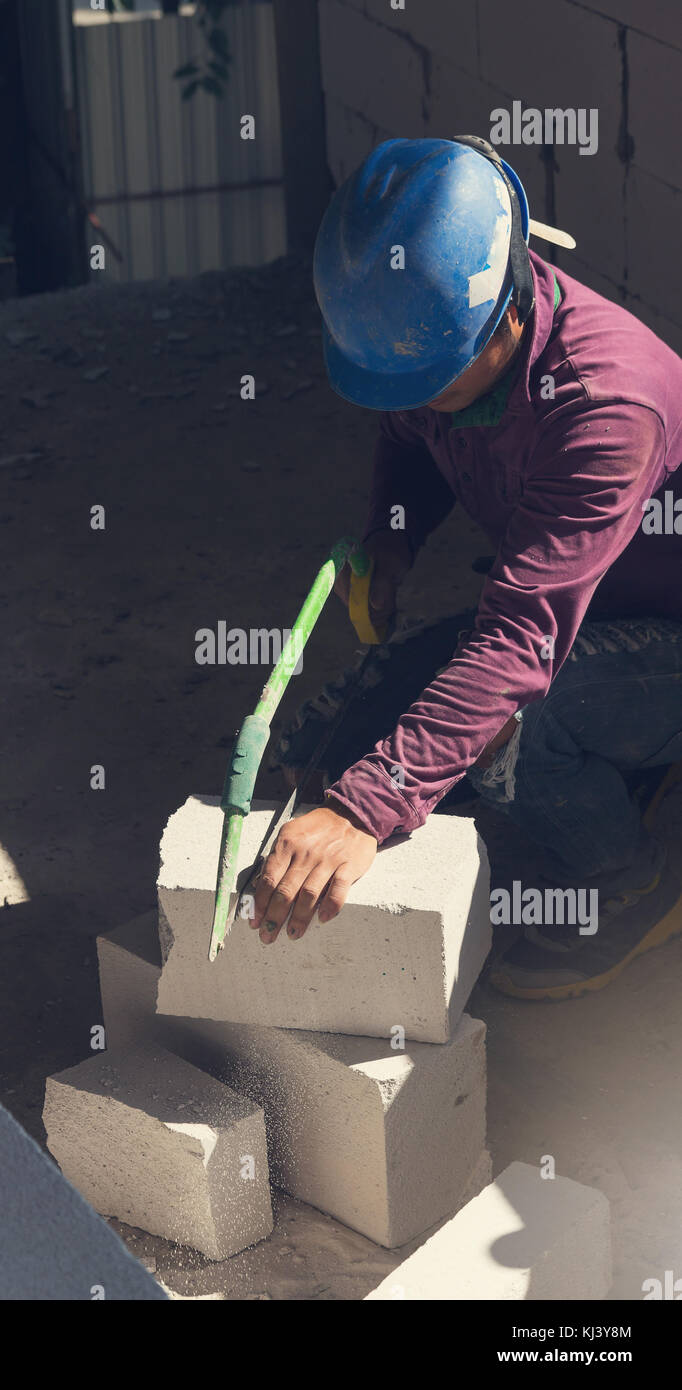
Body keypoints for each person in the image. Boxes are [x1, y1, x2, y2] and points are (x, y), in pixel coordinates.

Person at [247, 135, 682, 1000]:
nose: (408, 406)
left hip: (657, 633)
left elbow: (520, 638)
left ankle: (636, 881)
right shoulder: (437, 351)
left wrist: (367, 811)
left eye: (426, 386)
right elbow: (409, 438)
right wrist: (392, 537)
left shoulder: (606, 408)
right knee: (339, 727)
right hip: (576, 607)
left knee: (506, 736)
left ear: (508, 317)